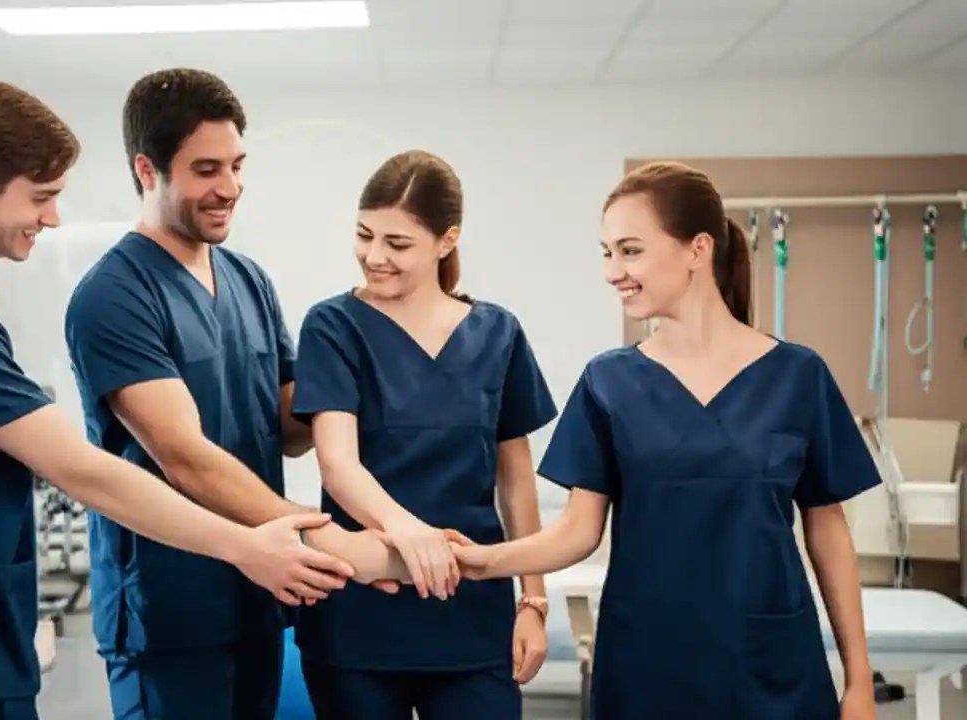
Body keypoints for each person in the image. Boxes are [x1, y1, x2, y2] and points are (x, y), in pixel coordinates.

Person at [0, 80, 353, 720]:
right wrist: (265, 544)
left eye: (236, 165)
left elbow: (286, 418)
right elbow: (88, 468)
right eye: (43, 197)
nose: (53, 218)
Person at [452, 160, 881, 719]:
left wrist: (859, 680)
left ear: (698, 250)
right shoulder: (608, 382)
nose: (612, 271)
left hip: (770, 662)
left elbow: (828, 531)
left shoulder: (798, 376)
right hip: (646, 664)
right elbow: (579, 532)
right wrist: (483, 562)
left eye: (630, 251)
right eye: (606, 253)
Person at [64, 68, 405, 720]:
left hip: (258, 598)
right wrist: (321, 539)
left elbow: (289, 426)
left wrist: (363, 355)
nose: (230, 188)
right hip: (169, 613)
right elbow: (183, 455)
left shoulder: (248, 279)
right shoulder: (114, 296)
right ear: (147, 169)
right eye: (206, 169)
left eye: (238, 165)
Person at [288, 150, 558, 720]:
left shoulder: (498, 333)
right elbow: (338, 465)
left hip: (472, 615)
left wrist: (533, 598)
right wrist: (410, 532)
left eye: (398, 243)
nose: (374, 257)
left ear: (445, 240)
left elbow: (516, 482)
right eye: (365, 236)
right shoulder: (333, 326)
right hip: (361, 617)